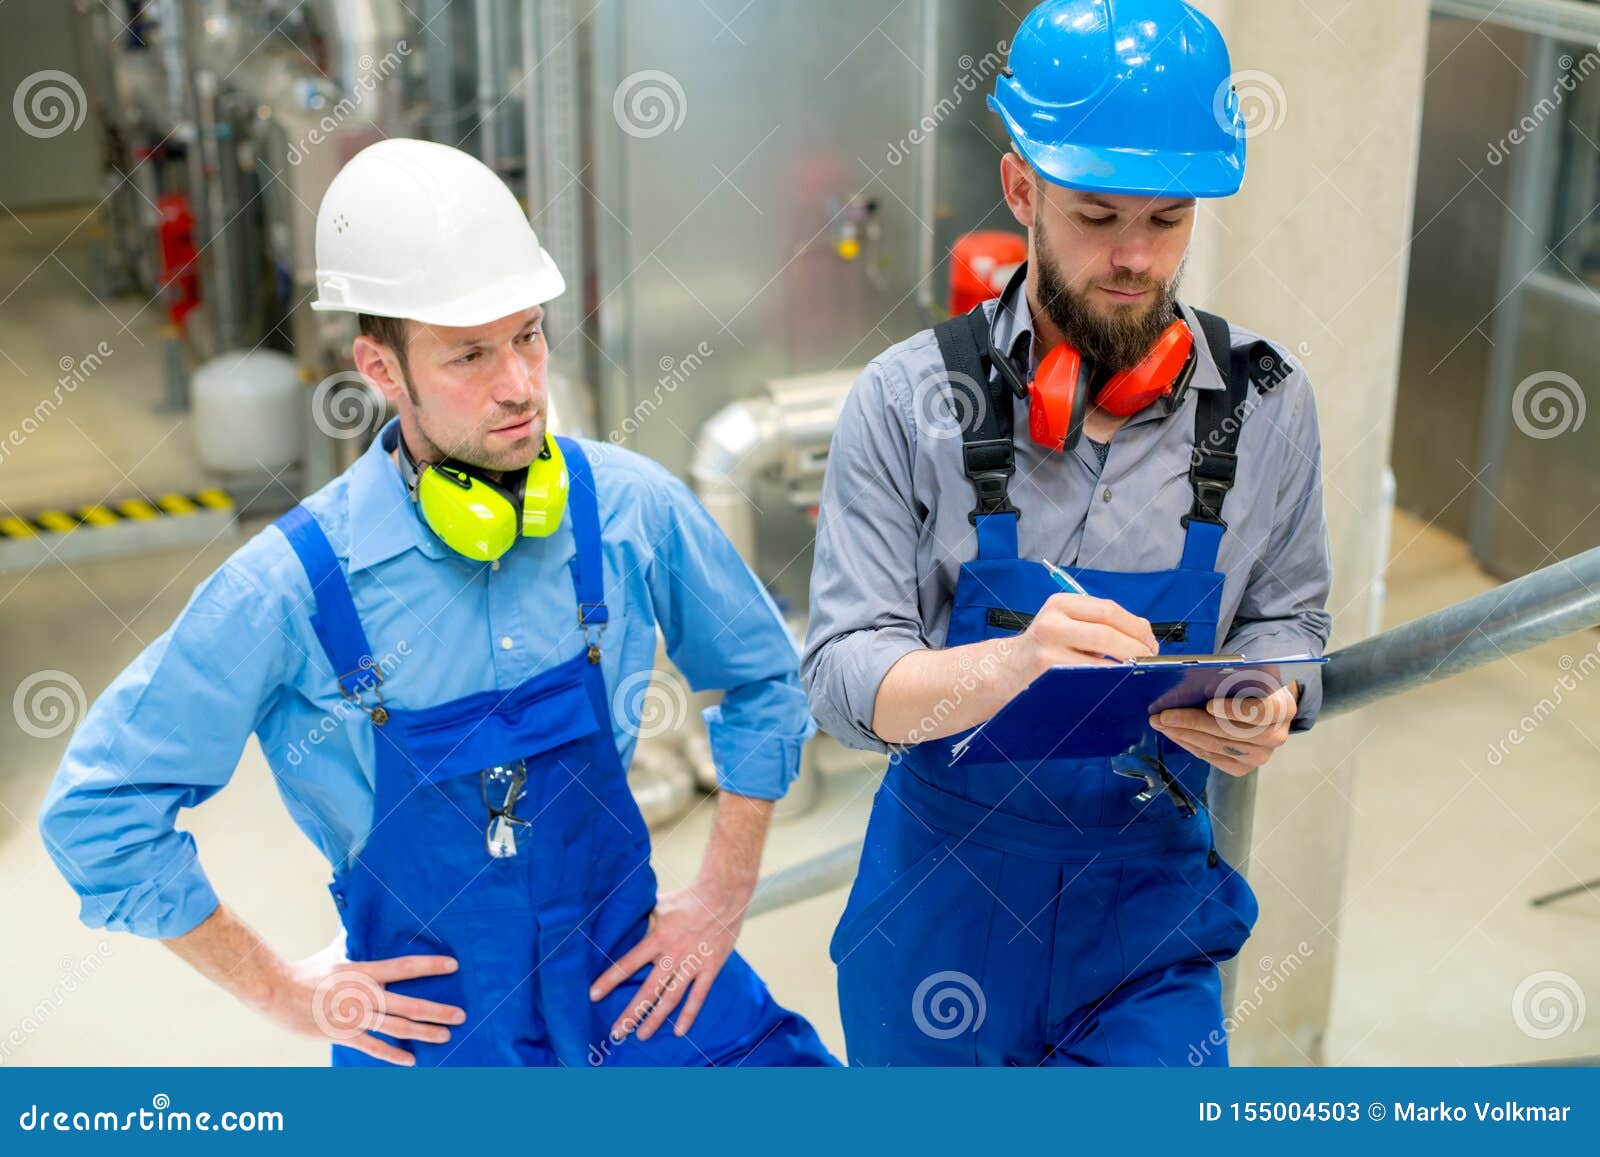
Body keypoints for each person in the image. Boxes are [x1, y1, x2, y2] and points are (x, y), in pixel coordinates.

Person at [40, 138, 836, 1068]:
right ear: (380, 370)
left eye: (528, 335)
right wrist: (286, 993)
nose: (520, 385)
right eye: (469, 355)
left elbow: (765, 680)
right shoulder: (291, 583)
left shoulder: (625, 510)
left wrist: (720, 898)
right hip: (433, 1042)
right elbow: (100, 813)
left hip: (633, 990)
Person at [803, 0, 1333, 1066]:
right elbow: (840, 674)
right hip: (937, 914)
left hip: (1144, 922)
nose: (1135, 257)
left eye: (1168, 218)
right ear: (1019, 189)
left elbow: (1290, 613)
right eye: (1096, 216)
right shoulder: (905, 399)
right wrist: (1006, 663)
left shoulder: (1267, 402)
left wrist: (1272, 692)